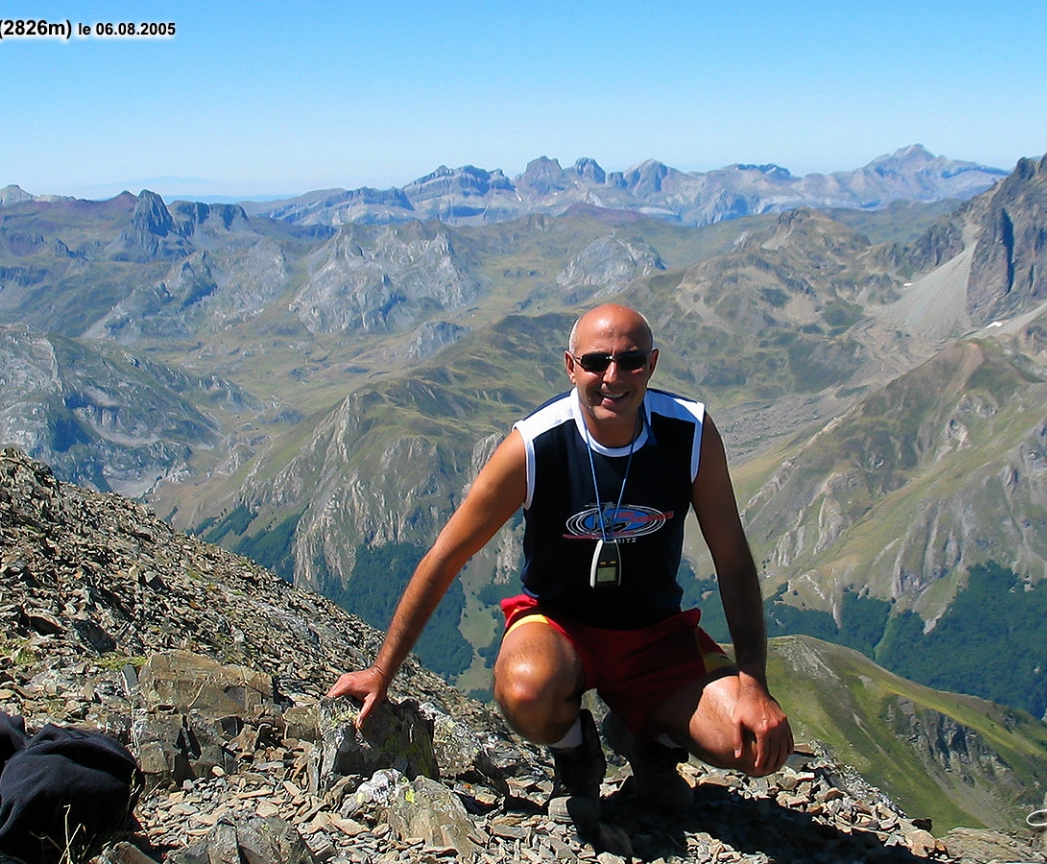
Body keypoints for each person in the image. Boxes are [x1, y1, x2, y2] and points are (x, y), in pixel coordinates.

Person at [328, 303, 793, 825]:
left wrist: (754, 684)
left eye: (630, 360)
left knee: (754, 743)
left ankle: (646, 740)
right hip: (559, 628)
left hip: (658, 635)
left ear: (652, 364)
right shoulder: (534, 445)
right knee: (524, 688)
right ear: (571, 367)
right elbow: (447, 554)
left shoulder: (690, 432)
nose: (613, 376)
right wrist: (382, 671)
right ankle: (576, 753)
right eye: (596, 362)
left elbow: (732, 561)